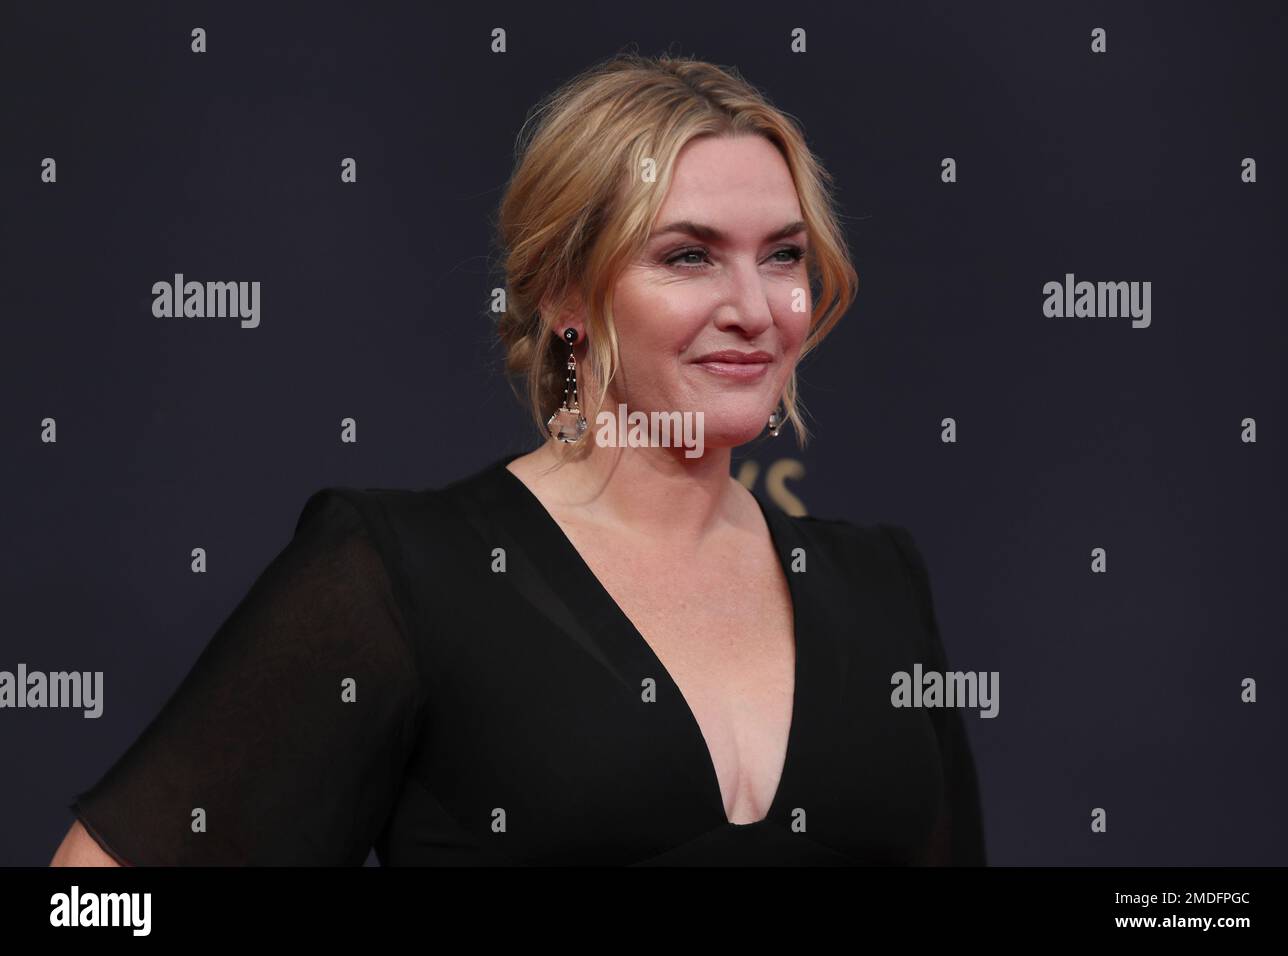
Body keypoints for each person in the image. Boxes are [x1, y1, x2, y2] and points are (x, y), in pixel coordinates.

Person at [50, 51, 986, 867]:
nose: (754, 308)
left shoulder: (878, 587)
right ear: (568, 298)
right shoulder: (406, 576)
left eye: (781, 256)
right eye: (689, 257)